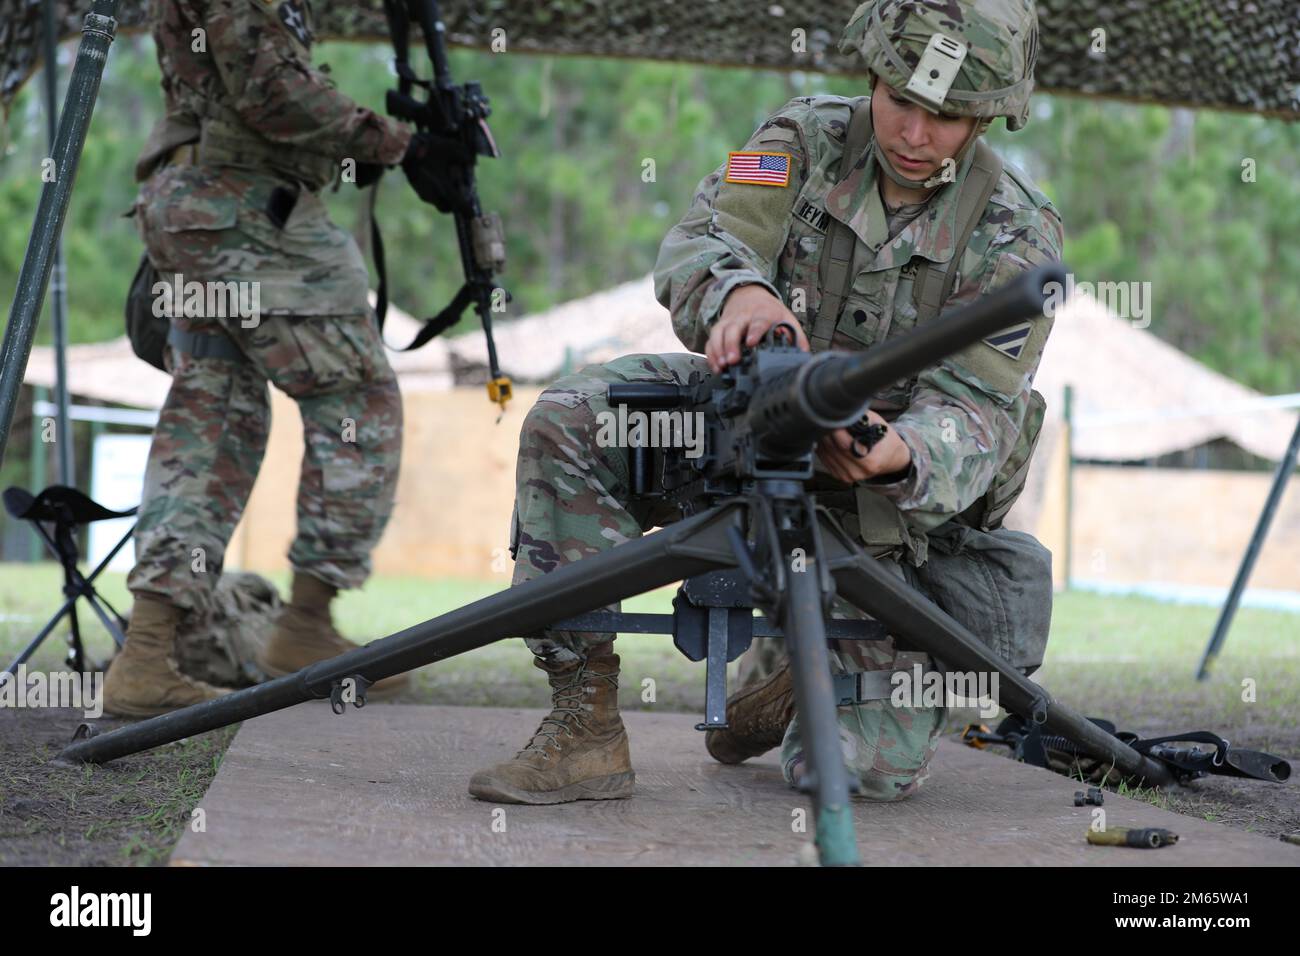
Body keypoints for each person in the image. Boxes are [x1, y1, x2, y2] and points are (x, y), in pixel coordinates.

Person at [467, 0, 1063, 804]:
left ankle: (784, 683)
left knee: (856, 773)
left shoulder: (1016, 235)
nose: (914, 135)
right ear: (871, 75)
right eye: (899, 100)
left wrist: (898, 452)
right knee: (574, 419)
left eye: (948, 116)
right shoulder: (801, 139)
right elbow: (705, 236)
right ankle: (585, 728)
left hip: (875, 516)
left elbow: (982, 411)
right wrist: (740, 292)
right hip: (738, 432)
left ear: (991, 115)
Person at [104, 0, 428, 716]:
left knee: (214, 417)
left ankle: (146, 654)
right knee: (357, 395)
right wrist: (394, 141)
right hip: (243, 208)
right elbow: (272, 92)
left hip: (201, 207)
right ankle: (306, 622)